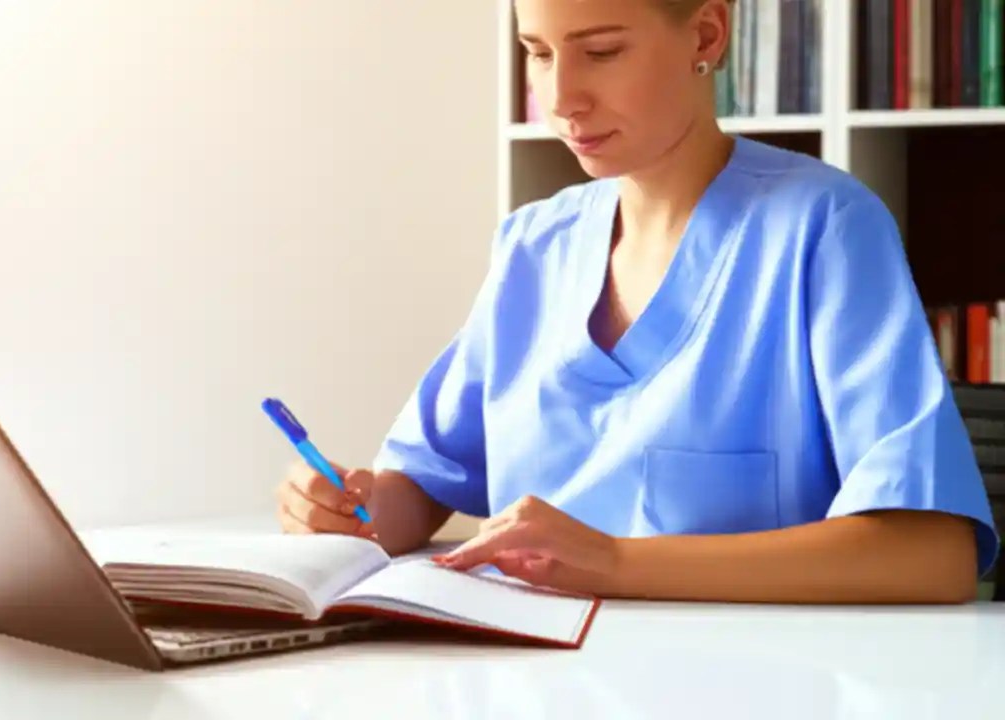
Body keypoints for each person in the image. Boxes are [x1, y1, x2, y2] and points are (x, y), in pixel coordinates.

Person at [274, 0, 1000, 604]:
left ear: (706, 37)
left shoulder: (826, 229)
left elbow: (930, 555)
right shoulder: (533, 245)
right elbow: (422, 483)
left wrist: (616, 563)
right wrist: (352, 507)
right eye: (538, 53)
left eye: (602, 52)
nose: (559, 98)